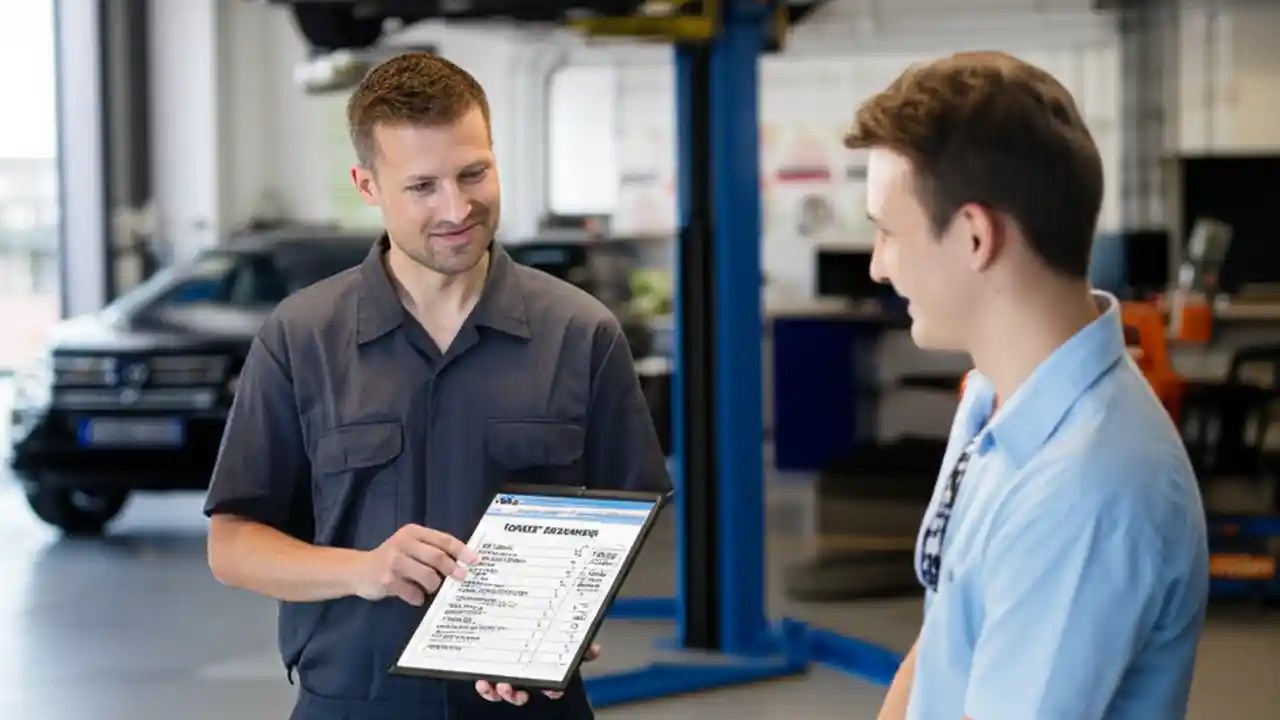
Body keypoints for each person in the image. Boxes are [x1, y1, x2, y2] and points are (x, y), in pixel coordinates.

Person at [203, 52, 670, 720]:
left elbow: (624, 519)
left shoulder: (581, 333)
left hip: (525, 708)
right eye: (422, 186)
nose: (457, 208)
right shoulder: (300, 338)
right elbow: (233, 545)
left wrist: (566, 626)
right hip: (355, 705)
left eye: (474, 173)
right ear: (368, 185)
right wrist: (363, 570)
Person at [844, 52, 1209, 720]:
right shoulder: (994, 400)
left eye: (888, 232)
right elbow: (944, 640)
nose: (877, 266)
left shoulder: (1087, 488)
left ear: (975, 236)